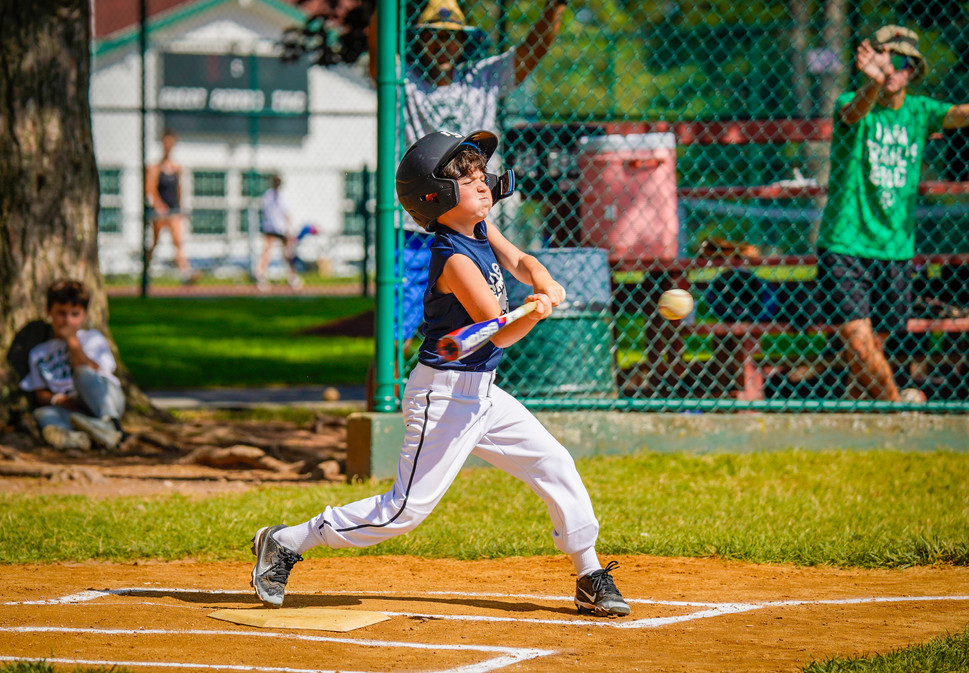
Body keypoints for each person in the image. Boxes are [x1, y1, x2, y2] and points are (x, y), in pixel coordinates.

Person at [250, 130, 630, 618]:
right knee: (403, 511)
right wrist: (534, 313)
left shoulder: (479, 230)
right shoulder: (452, 257)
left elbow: (519, 260)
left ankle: (588, 574)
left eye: (481, 177)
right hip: (444, 398)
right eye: (470, 182)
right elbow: (499, 330)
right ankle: (285, 541)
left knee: (554, 463)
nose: (484, 186)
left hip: (484, 393)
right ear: (437, 199)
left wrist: (542, 281)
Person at [365, 0, 566, 408]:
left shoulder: (483, 77)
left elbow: (534, 49)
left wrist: (555, 7)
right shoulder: (404, 81)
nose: (443, 45)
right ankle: (380, 412)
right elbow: (377, 50)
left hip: (469, 223)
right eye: (434, 36)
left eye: (452, 37)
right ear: (419, 40)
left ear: (463, 42)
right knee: (394, 335)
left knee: (481, 314)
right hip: (418, 225)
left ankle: (462, 404)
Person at [816, 25, 969, 402]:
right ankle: (896, 408)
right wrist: (872, 82)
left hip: (896, 251)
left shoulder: (920, 111)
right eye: (884, 57)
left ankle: (857, 408)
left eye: (901, 61)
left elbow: (962, 114)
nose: (891, 68)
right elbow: (856, 111)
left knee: (865, 351)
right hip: (845, 245)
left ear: (913, 70)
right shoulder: (852, 103)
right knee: (858, 341)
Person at [19, 280, 126, 451]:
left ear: (84, 314)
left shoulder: (92, 338)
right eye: (61, 313)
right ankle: (79, 439)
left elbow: (94, 372)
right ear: (48, 311)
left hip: (106, 400)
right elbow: (40, 392)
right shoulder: (39, 353)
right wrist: (58, 399)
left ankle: (110, 425)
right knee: (42, 413)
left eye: (75, 314)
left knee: (82, 373)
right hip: (73, 408)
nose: (67, 320)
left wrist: (72, 341)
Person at [145, 129, 198, 284]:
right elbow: (150, 190)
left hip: (173, 210)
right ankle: (145, 272)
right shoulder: (155, 168)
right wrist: (159, 206)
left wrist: (180, 209)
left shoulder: (177, 168)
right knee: (155, 243)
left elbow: (179, 190)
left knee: (178, 243)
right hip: (159, 212)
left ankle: (186, 274)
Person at [255, 174, 303, 291]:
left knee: (287, 253)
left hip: (281, 228)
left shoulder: (281, 197)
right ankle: (260, 276)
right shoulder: (268, 196)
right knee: (267, 251)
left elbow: (286, 213)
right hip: (271, 227)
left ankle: (292, 276)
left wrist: (290, 228)